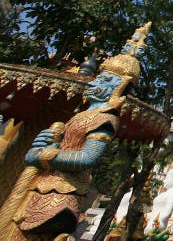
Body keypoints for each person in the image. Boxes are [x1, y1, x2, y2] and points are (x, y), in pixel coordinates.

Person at [3, 24, 147, 238]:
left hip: (62, 191)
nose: (96, 81)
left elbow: (89, 157)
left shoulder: (105, 119)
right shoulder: (82, 115)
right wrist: (47, 142)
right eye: (99, 76)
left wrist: (49, 155)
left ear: (120, 86)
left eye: (105, 80)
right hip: (43, 181)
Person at [144, 164, 173, 236]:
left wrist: (156, 220)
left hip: (157, 223)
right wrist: (147, 215)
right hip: (151, 220)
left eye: (167, 178)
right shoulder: (165, 193)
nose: (165, 180)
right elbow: (155, 210)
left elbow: (167, 213)